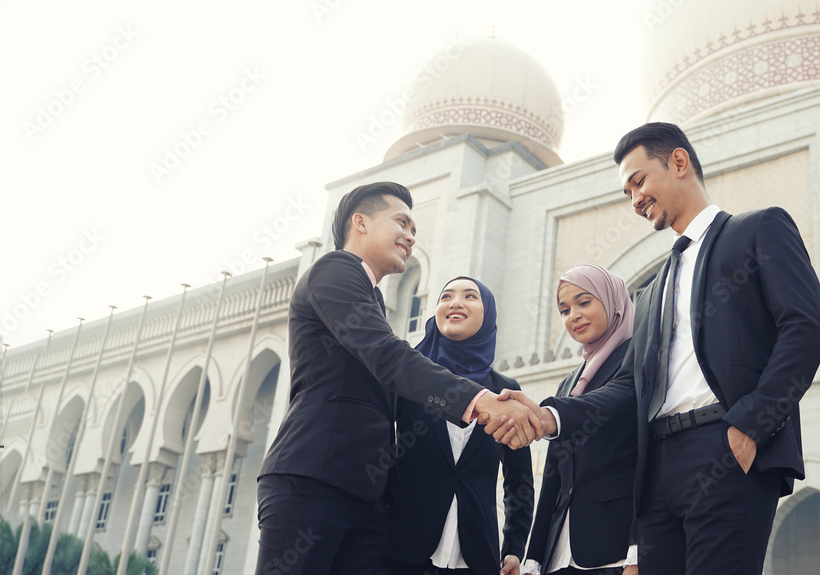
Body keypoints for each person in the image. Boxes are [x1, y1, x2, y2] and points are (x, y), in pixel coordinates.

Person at [491, 122, 820, 575]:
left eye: (638, 181)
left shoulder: (757, 230)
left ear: (678, 162)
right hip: (658, 470)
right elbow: (631, 389)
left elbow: (805, 327)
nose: (634, 199)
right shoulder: (649, 293)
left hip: (726, 446)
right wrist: (550, 416)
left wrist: (752, 424)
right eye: (626, 191)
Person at [255, 181, 544, 575]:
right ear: (360, 222)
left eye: (414, 229)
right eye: (402, 222)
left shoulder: (370, 298)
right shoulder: (334, 270)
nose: (410, 236)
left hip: (362, 497)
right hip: (315, 480)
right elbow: (388, 356)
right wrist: (479, 401)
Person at [380, 277, 533, 575]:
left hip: (476, 558)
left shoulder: (505, 392)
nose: (455, 302)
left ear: (487, 314)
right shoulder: (412, 378)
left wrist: (515, 547)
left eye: (469, 296)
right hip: (401, 552)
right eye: (446, 296)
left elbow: (519, 480)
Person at [522, 265, 638, 575]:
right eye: (564, 309)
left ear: (612, 302)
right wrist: (534, 557)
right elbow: (553, 475)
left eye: (584, 302)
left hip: (614, 550)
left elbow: (650, 464)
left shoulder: (638, 358)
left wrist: (637, 550)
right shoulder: (571, 382)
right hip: (561, 551)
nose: (573, 315)